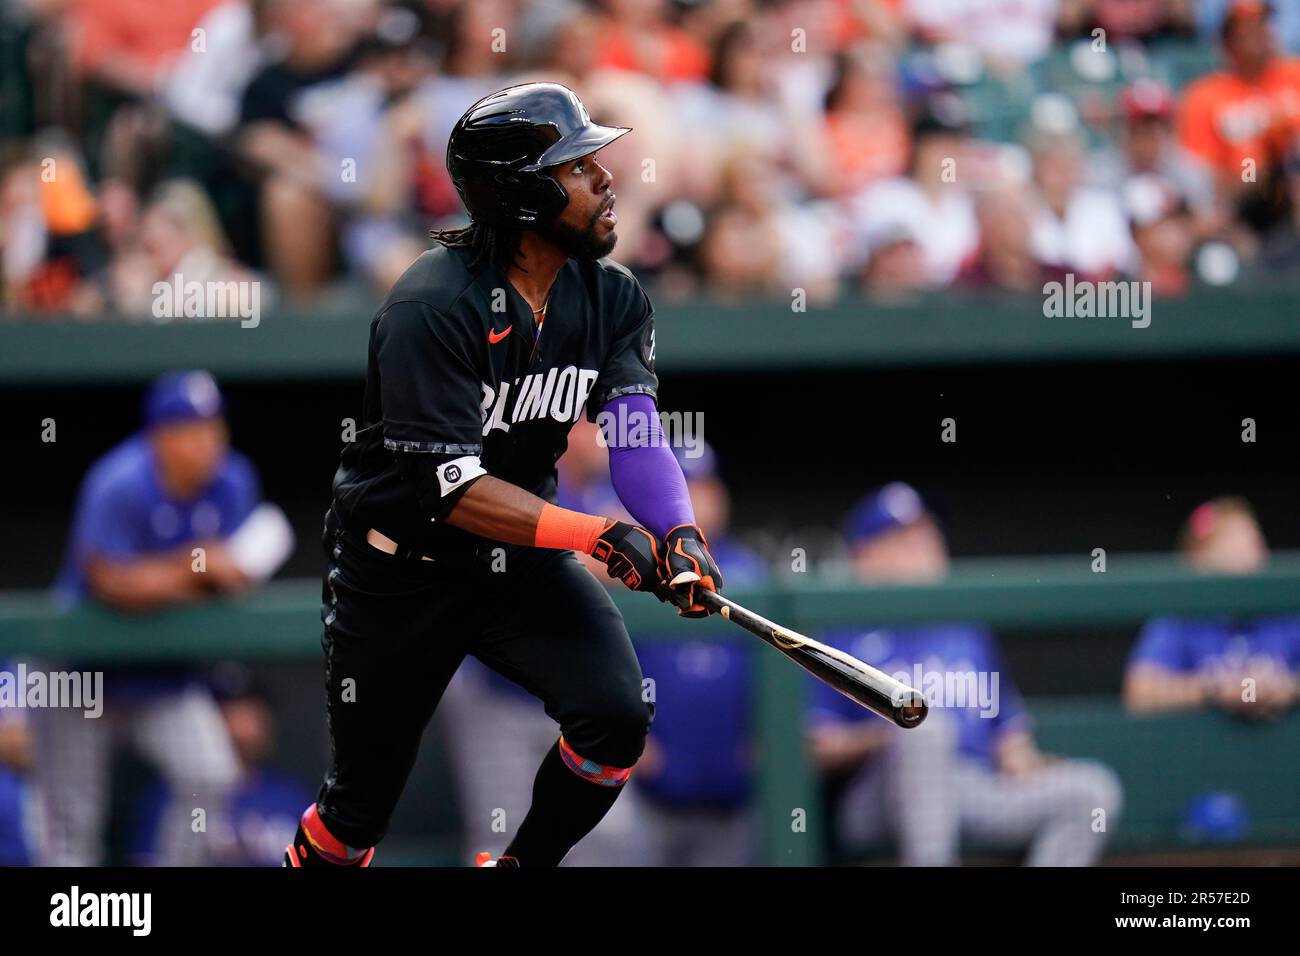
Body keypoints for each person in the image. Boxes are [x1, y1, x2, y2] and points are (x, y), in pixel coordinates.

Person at [287, 83, 724, 869]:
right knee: (357, 817)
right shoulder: (431, 303)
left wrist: (679, 532)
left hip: (517, 559)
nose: (605, 179)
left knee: (616, 716)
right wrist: (597, 534)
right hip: (398, 573)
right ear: (522, 194)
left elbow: (631, 430)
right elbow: (450, 490)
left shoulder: (612, 295)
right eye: (578, 167)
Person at [35, 369, 294, 866]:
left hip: (161, 678)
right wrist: (196, 565)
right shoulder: (118, 481)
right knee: (71, 821)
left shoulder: (233, 479)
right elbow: (112, 584)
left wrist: (194, 574)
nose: (208, 442)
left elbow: (235, 573)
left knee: (210, 777)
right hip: (81, 674)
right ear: (160, 436)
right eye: (192, 430)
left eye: (214, 427)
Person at [809, 483, 1122, 866]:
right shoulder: (841, 630)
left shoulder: (963, 627)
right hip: (878, 796)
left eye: (928, 532)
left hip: (972, 788)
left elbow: (1008, 733)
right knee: (923, 728)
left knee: (1091, 792)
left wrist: (1026, 760)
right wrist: (886, 736)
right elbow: (816, 745)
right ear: (866, 556)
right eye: (906, 539)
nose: (927, 546)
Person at [630, 442, 768, 866]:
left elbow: (781, 678)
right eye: (687, 487)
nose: (700, 499)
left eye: (707, 485)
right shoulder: (633, 566)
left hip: (732, 800)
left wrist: (765, 740)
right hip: (644, 797)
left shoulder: (752, 573)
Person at [1124, 496, 1300, 717]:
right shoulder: (1182, 616)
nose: (1246, 556)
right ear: (1197, 561)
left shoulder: (1285, 606)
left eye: (1251, 542)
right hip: (1203, 749)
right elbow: (1140, 693)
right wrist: (1212, 688)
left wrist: (1289, 686)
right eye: (1229, 543)